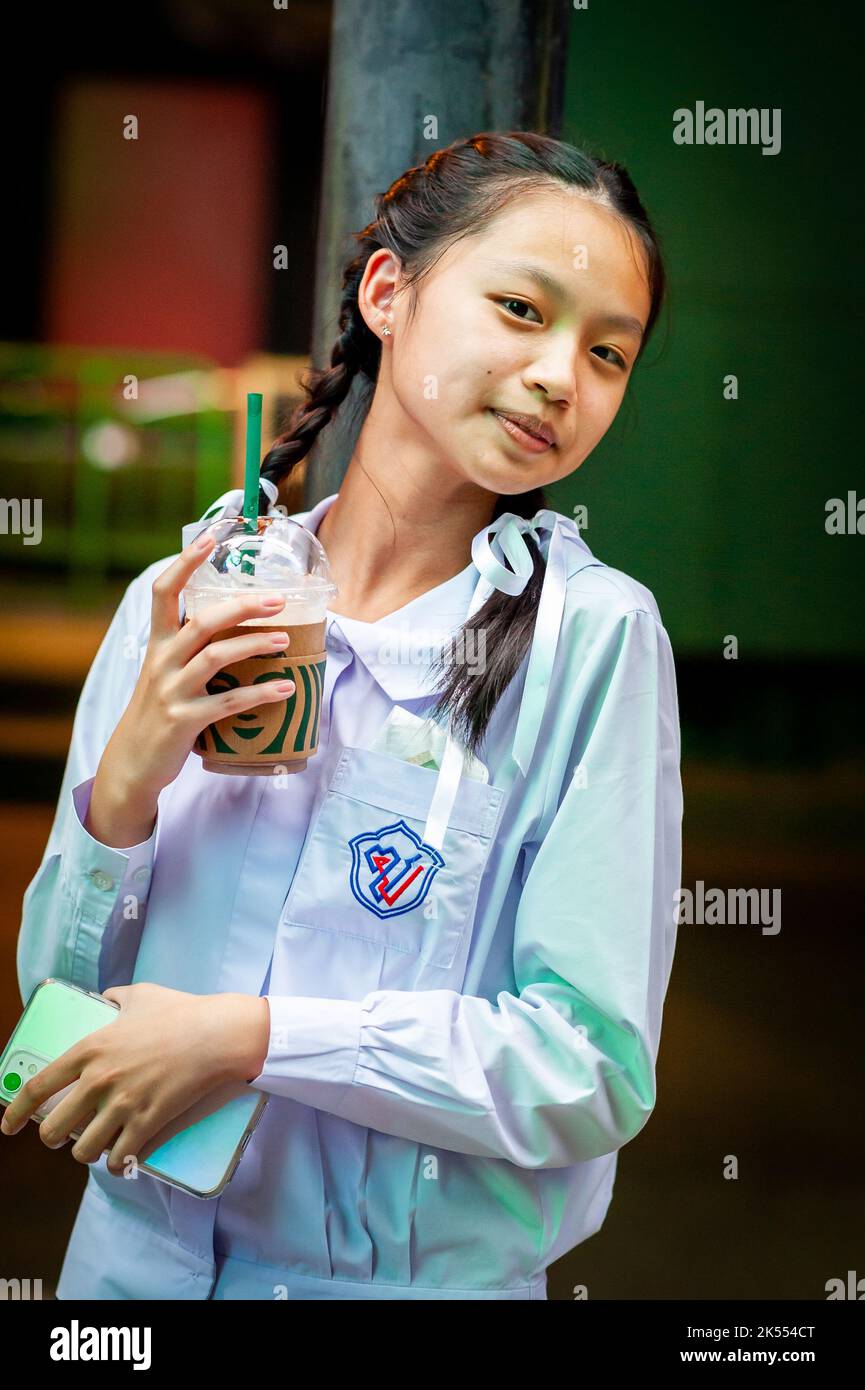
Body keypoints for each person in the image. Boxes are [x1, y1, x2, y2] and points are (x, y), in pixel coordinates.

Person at [9, 131, 682, 1301]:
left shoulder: (592, 641)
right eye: (522, 308)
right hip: (126, 1281)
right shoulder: (186, 597)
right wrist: (123, 789)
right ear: (388, 292)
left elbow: (587, 1069)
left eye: (608, 352)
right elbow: (54, 1006)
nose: (562, 376)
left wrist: (255, 1038)